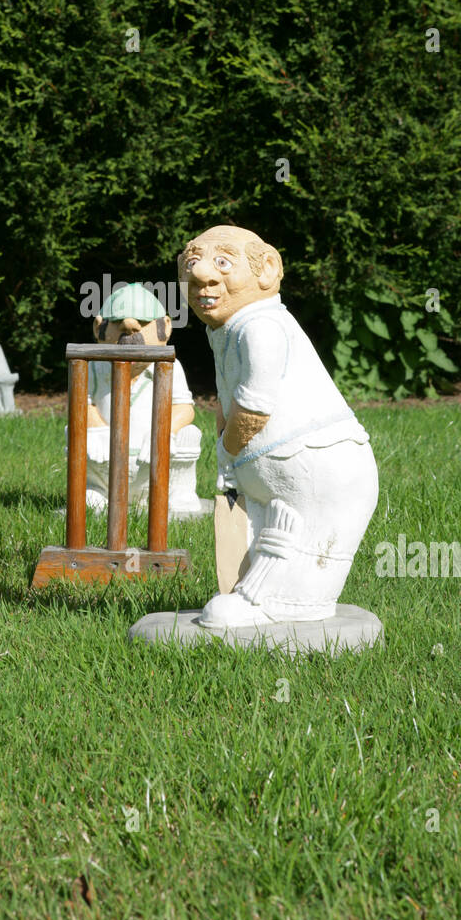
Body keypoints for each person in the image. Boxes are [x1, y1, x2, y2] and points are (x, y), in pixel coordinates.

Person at [178, 226, 379, 628]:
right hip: (283, 479)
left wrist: (227, 452)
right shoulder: (228, 329)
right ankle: (260, 595)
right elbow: (229, 397)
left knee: (303, 562)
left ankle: (280, 603)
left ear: (267, 270)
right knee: (271, 544)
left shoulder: (261, 327)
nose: (201, 275)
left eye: (223, 263)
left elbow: (254, 407)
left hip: (319, 473)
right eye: (192, 263)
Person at [80, 283, 211, 519]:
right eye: (117, 324)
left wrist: (162, 432)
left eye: (143, 323)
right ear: (99, 327)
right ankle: (97, 492)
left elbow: (184, 408)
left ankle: (177, 492)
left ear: (165, 327)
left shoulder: (170, 366)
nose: (131, 331)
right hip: (105, 464)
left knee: (188, 433)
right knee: (78, 431)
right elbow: (81, 404)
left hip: (155, 463)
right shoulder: (93, 367)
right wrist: (97, 430)